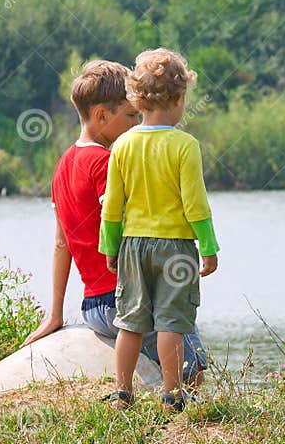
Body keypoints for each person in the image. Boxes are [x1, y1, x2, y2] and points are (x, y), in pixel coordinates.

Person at [21, 59, 208, 390]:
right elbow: (130, 226)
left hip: (92, 308)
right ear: (101, 116)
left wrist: (55, 314)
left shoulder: (62, 166)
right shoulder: (106, 161)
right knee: (191, 363)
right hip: (122, 299)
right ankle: (182, 418)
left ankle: (132, 395)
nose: (137, 123)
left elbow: (61, 245)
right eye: (131, 115)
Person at [99, 48, 219, 411]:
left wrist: (110, 248)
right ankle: (171, 393)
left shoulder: (122, 144)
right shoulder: (185, 146)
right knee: (171, 321)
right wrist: (210, 247)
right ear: (180, 98)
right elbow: (195, 204)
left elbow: (112, 206)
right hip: (176, 249)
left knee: (131, 322)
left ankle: (122, 392)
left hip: (133, 246)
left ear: (137, 97)